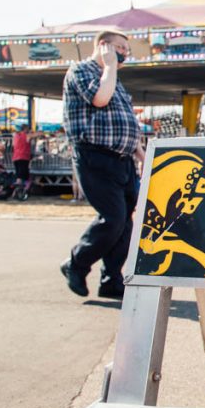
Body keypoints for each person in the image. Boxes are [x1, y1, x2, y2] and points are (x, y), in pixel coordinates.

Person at [60, 30, 145, 300]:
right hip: (96, 155)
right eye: (119, 48)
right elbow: (100, 99)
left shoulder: (114, 78)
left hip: (123, 159)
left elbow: (126, 122)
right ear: (103, 45)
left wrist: (143, 155)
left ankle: (112, 279)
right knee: (113, 218)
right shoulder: (82, 71)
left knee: (126, 221)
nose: (123, 54)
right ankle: (77, 262)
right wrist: (109, 65)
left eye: (126, 51)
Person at [11, 123, 38, 194]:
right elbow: (38, 135)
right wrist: (34, 132)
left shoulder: (16, 135)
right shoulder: (26, 135)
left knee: (19, 174)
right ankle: (20, 190)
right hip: (23, 156)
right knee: (22, 174)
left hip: (16, 157)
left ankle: (19, 189)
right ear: (25, 129)